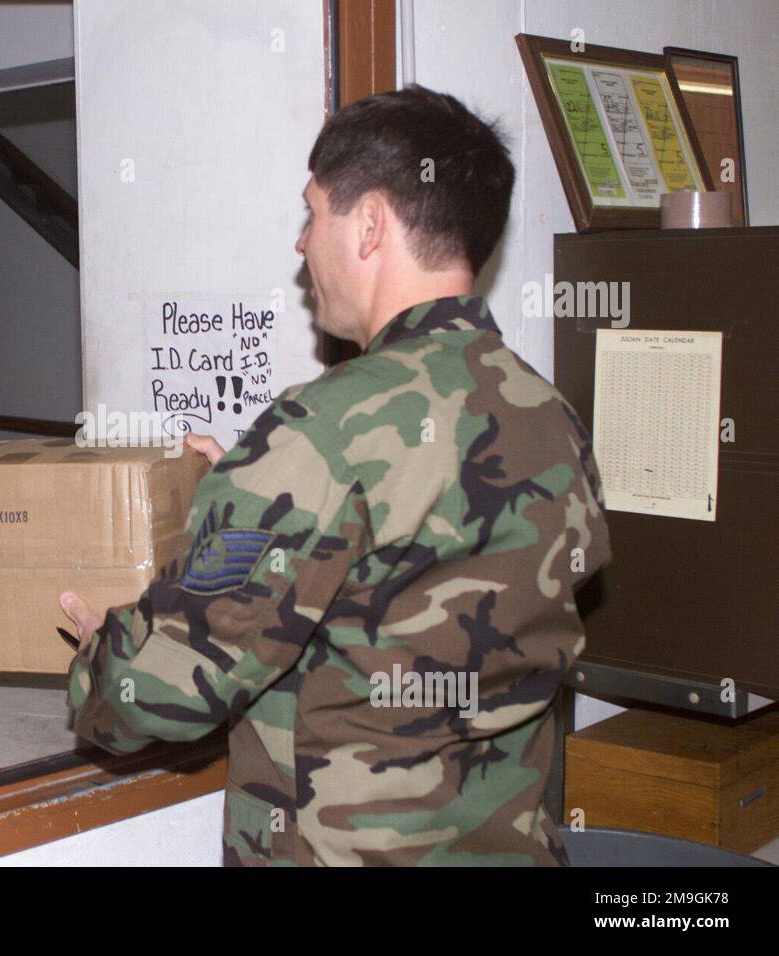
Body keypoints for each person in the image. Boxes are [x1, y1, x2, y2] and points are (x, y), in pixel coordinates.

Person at [58, 86, 611, 866]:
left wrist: (98, 659)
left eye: (312, 212)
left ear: (372, 223)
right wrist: (256, 498)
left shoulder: (323, 432)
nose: (301, 242)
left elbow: (162, 692)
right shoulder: (550, 414)